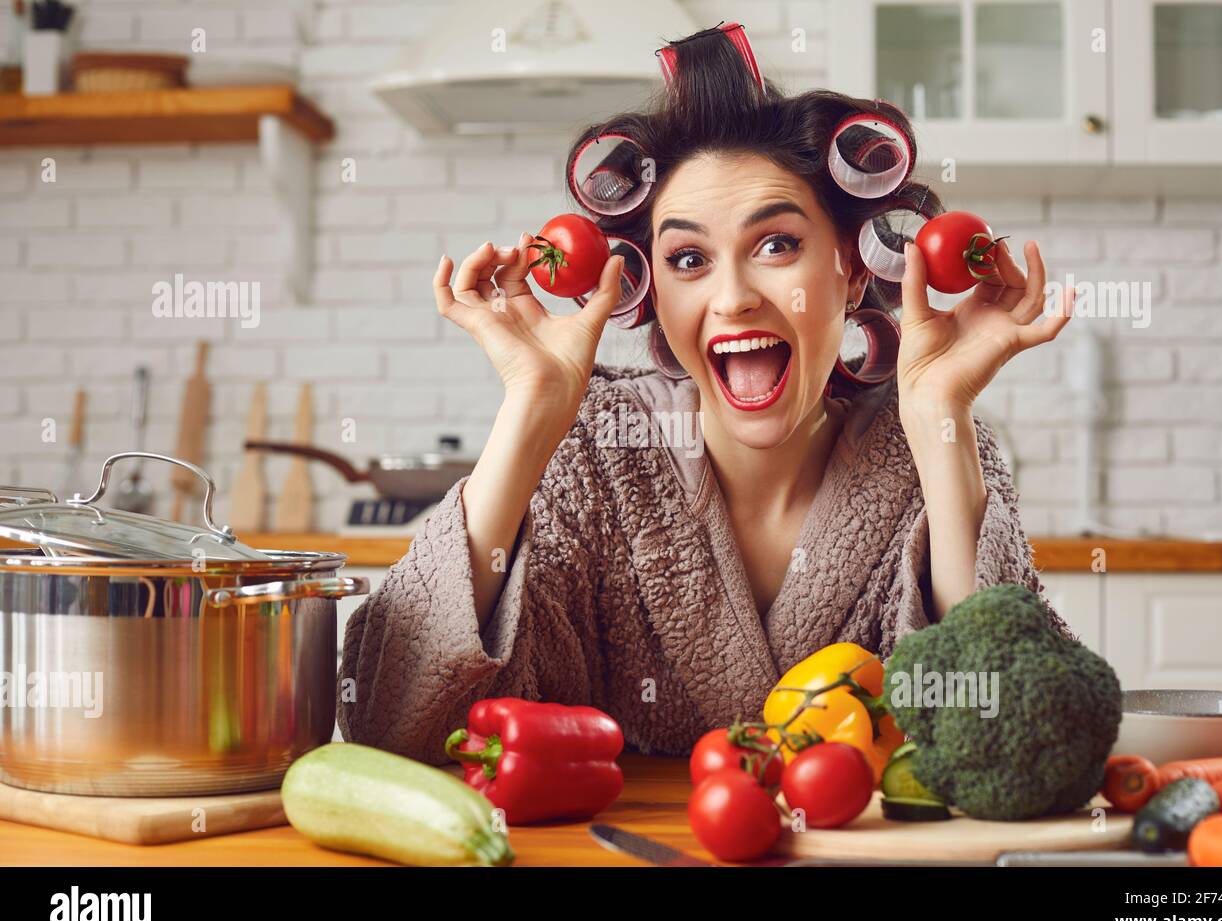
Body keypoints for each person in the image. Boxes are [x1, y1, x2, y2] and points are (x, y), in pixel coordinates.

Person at [338, 23, 1075, 765]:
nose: (732, 299)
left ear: (851, 273)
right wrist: (531, 412)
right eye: (688, 258)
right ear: (653, 292)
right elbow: (395, 725)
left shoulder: (929, 447)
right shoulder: (596, 448)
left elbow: (1005, 739)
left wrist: (939, 416)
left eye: (777, 245)